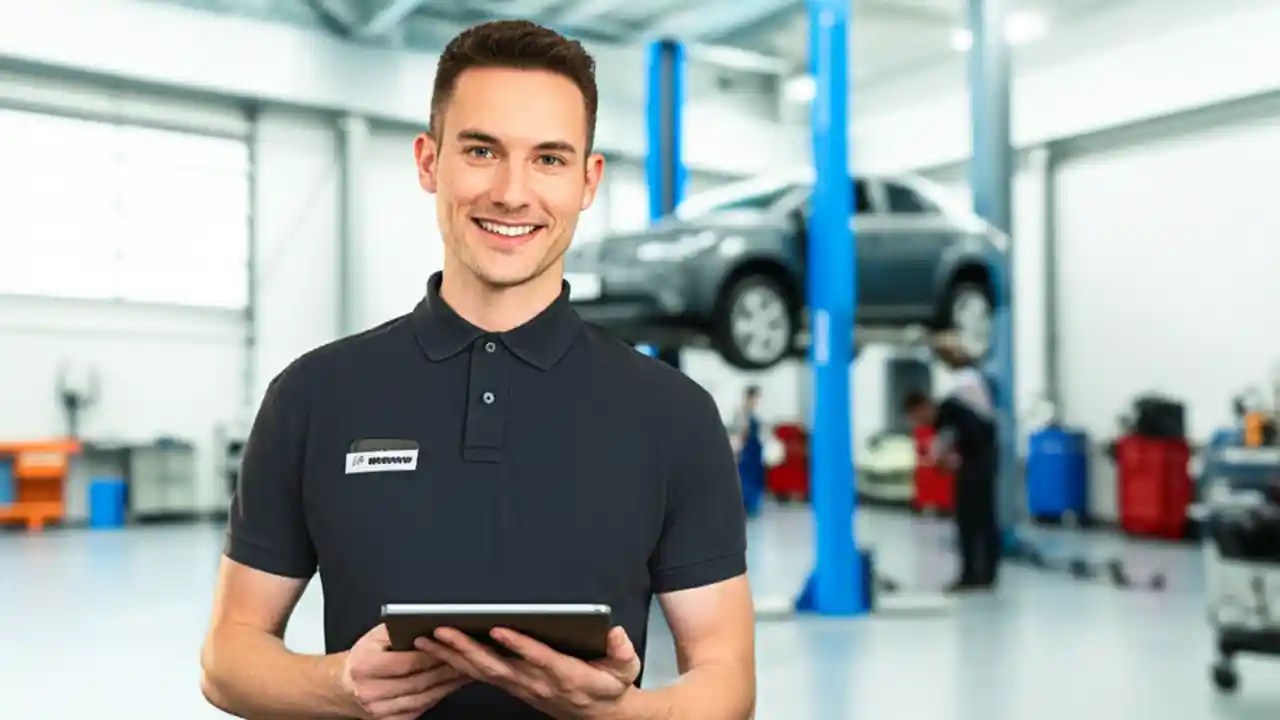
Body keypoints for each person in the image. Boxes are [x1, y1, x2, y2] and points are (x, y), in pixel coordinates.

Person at [199, 20, 756, 720]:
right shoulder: (313, 396)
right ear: (429, 161)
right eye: (482, 150)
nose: (512, 193)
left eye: (549, 159)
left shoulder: (673, 416)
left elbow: (728, 676)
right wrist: (338, 686)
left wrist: (613, 716)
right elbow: (228, 655)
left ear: (589, 181)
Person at [903, 340, 999, 592]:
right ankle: (985, 574)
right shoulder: (966, 389)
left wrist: (948, 457)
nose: (918, 422)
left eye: (916, 416)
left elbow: (956, 438)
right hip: (981, 463)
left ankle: (972, 575)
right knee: (983, 519)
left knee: (971, 521)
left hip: (975, 465)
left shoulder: (955, 399)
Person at [734, 386, 765, 517]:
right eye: (754, 398)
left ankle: (752, 506)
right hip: (748, 452)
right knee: (746, 479)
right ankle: (745, 506)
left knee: (755, 478)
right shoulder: (742, 413)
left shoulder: (753, 413)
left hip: (755, 451)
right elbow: (742, 434)